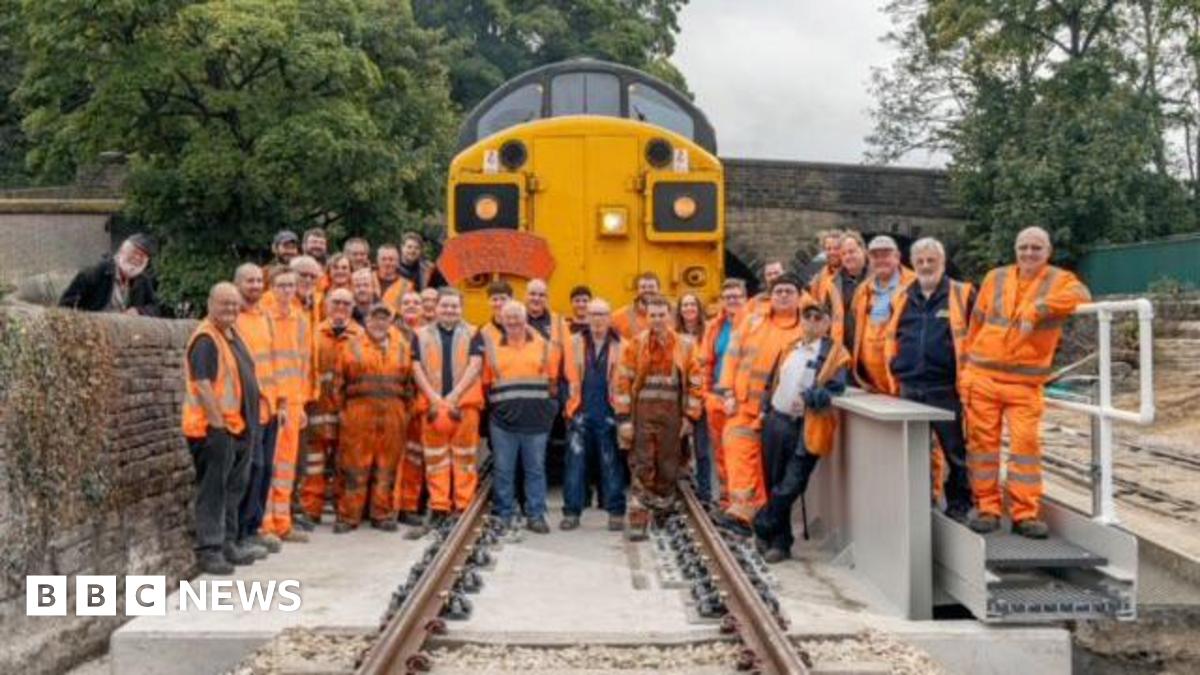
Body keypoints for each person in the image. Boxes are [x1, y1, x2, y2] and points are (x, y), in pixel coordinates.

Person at [963, 227, 1091, 538]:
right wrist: (966, 369)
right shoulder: (996, 278)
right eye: (1023, 247)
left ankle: (1025, 514)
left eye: (1036, 248)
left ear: (1047, 252)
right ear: (1015, 250)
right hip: (983, 377)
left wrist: (1039, 308)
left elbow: (1082, 296)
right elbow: (976, 324)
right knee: (983, 447)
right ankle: (988, 508)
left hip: (1024, 384)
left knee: (1025, 447)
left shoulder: (1059, 280)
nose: (1029, 253)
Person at [884, 237, 975, 522]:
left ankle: (959, 503)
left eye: (931, 261)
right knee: (915, 451)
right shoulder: (902, 297)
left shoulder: (962, 294)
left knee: (955, 450)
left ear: (942, 262)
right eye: (920, 261)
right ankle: (921, 503)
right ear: (912, 263)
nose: (925, 266)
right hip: (910, 385)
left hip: (946, 386)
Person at [715, 273, 811, 535]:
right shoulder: (752, 321)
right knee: (736, 451)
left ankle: (764, 519)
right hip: (743, 406)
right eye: (778, 291)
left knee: (770, 467)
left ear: (799, 295)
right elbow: (732, 358)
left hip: (779, 413)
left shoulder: (805, 328)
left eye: (788, 291)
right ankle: (742, 512)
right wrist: (727, 393)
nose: (782, 295)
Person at [752, 302, 850, 562]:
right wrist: (764, 410)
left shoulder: (836, 354)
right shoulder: (789, 347)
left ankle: (762, 524)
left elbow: (835, 390)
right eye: (807, 316)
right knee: (774, 482)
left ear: (827, 323)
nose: (812, 321)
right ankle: (779, 543)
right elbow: (770, 381)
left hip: (806, 426)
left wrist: (811, 397)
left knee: (791, 484)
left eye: (819, 317)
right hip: (776, 421)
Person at [182, 282, 263, 574]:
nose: (230, 309)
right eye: (223, 303)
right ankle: (210, 550)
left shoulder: (229, 334)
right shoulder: (206, 339)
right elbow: (202, 386)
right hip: (214, 431)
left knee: (232, 489)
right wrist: (218, 428)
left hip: (236, 428)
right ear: (209, 304)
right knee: (213, 491)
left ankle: (228, 543)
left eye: (234, 304)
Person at [613, 295, 702, 541]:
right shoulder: (636, 344)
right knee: (642, 464)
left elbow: (695, 382)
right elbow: (623, 381)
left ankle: (662, 510)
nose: (657, 319)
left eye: (662, 314)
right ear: (647, 317)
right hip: (643, 414)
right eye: (653, 315)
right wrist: (624, 419)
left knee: (668, 464)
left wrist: (690, 417)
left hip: (672, 416)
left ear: (670, 316)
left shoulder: (685, 345)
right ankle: (640, 516)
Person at [479, 301, 560, 533]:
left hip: (536, 422)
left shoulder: (544, 346)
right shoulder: (493, 348)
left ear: (526, 320)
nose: (513, 322)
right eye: (509, 318)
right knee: (504, 469)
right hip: (503, 422)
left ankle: (536, 515)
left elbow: (553, 385)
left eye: (517, 317)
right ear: (501, 320)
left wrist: (548, 413)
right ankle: (504, 514)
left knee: (535, 469)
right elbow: (485, 384)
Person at [332, 302, 413, 531]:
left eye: (384, 318)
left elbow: (410, 388)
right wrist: (344, 414)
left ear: (390, 322)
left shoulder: (402, 347)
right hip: (359, 416)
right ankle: (349, 516)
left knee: (386, 468)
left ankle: (382, 514)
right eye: (375, 318)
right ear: (367, 321)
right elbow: (338, 384)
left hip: (393, 416)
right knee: (354, 467)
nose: (379, 323)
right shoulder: (350, 347)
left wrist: (404, 415)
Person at [411, 289, 485, 528]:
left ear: (461, 308)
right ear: (436, 307)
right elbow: (416, 368)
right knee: (436, 460)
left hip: (463, 406)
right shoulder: (420, 334)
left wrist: (452, 397)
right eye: (445, 306)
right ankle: (439, 507)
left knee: (465, 458)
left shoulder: (474, 332)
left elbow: (475, 366)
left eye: (454, 306)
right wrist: (435, 398)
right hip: (432, 408)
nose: (450, 310)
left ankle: (463, 505)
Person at [296, 289, 362, 530]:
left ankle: (345, 513)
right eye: (336, 302)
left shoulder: (361, 337)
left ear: (353, 307)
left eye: (346, 303)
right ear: (326, 304)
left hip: (348, 415)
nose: (341, 307)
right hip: (317, 412)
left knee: (346, 465)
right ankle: (310, 511)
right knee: (314, 464)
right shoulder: (313, 335)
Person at [562, 298, 625, 531]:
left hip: (609, 411)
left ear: (609, 318)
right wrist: (568, 407)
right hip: (580, 410)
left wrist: (623, 413)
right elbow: (562, 377)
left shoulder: (622, 345)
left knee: (611, 463)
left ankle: (616, 511)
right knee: (575, 464)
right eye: (594, 314)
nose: (598, 319)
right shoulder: (573, 343)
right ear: (586, 317)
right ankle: (571, 512)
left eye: (602, 314)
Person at [258, 267, 311, 544]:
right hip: (271, 401)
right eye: (281, 285)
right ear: (272, 286)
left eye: (291, 285)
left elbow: (302, 365)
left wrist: (300, 404)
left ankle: (283, 522)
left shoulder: (299, 318)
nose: (287, 290)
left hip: (291, 403)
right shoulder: (263, 315)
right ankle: (265, 524)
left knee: (286, 466)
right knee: (269, 463)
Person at [233, 264, 281, 556]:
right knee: (250, 469)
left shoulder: (265, 318)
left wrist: (281, 403)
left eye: (257, 280)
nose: (254, 285)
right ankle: (241, 532)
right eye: (249, 280)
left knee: (264, 471)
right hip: (247, 407)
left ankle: (254, 527)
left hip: (269, 406)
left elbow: (273, 362)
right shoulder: (233, 319)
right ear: (238, 284)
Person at [700, 279, 747, 509]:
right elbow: (705, 362)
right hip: (717, 397)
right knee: (719, 453)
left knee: (741, 454)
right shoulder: (714, 327)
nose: (732, 301)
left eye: (736, 296)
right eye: (728, 297)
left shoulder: (754, 324)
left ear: (745, 298)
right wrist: (706, 394)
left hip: (742, 400)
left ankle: (743, 505)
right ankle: (727, 501)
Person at [850, 235, 914, 394]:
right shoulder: (863, 290)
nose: (880, 260)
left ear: (897, 257)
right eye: (875, 256)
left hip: (904, 382)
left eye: (886, 255)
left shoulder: (914, 285)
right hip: (872, 383)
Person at [59, 234, 159, 316]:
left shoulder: (142, 280)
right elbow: (65, 304)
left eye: (142, 256)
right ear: (122, 251)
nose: (137, 258)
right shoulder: (96, 272)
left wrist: (139, 311)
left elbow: (155, 308)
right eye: (134, 252)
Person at [813, 231, 866, 350]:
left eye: (836, 248)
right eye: (828, 248)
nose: (832, 252)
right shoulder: (819, 278)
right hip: (836, 342)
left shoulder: (859, 275)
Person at [613, 272, 664, 339]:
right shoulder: (618, 317)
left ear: (659, 290)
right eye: (643, 287)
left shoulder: (673, 314)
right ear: (636, 291)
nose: (647, 290)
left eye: (651, 287)